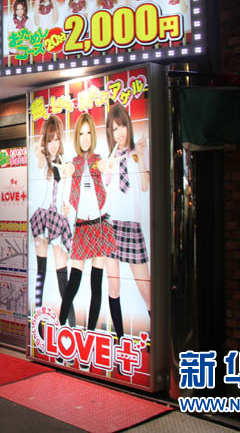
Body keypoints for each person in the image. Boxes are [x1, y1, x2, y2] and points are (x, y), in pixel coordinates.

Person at [58, 113, 117, 331]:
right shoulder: (73, 163)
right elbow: (68, 169)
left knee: (96, 284)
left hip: (100, 227)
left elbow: (104, 166)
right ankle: (61, 324)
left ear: (93, 135)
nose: (85, 137)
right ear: (76, 136)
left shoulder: (97, 161)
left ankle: (90, 332)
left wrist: (108, 165)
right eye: (81, 133)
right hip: (82, 227)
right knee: (74, 281)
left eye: (89, 133)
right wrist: (65, 170)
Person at [100, 104, 151, 340]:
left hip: (131, 226)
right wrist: (106, 168)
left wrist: (140, 157)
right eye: (114, 129)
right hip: (110, 225)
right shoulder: (109, 158)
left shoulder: (137, 153)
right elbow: (104, 192)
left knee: (145, 287)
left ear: (128, 126)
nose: (119, 132)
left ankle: (158, 335)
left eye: (122, 127)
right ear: (110, 133)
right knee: (113, 286)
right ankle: (120, 340)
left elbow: (143, 185)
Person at [28, 114, 73, 325]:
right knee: (41, 273)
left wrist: (68, 208)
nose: (53, 144)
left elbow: (70, 198)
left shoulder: (65, 163)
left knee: (62, 276)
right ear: (44, 141)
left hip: (57, 220)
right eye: (50, 139)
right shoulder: (41, 162)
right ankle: (38, 322)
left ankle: (70, 325)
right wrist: (40, 149)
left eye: (56, 139)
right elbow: (37, 158)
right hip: (42, 218)